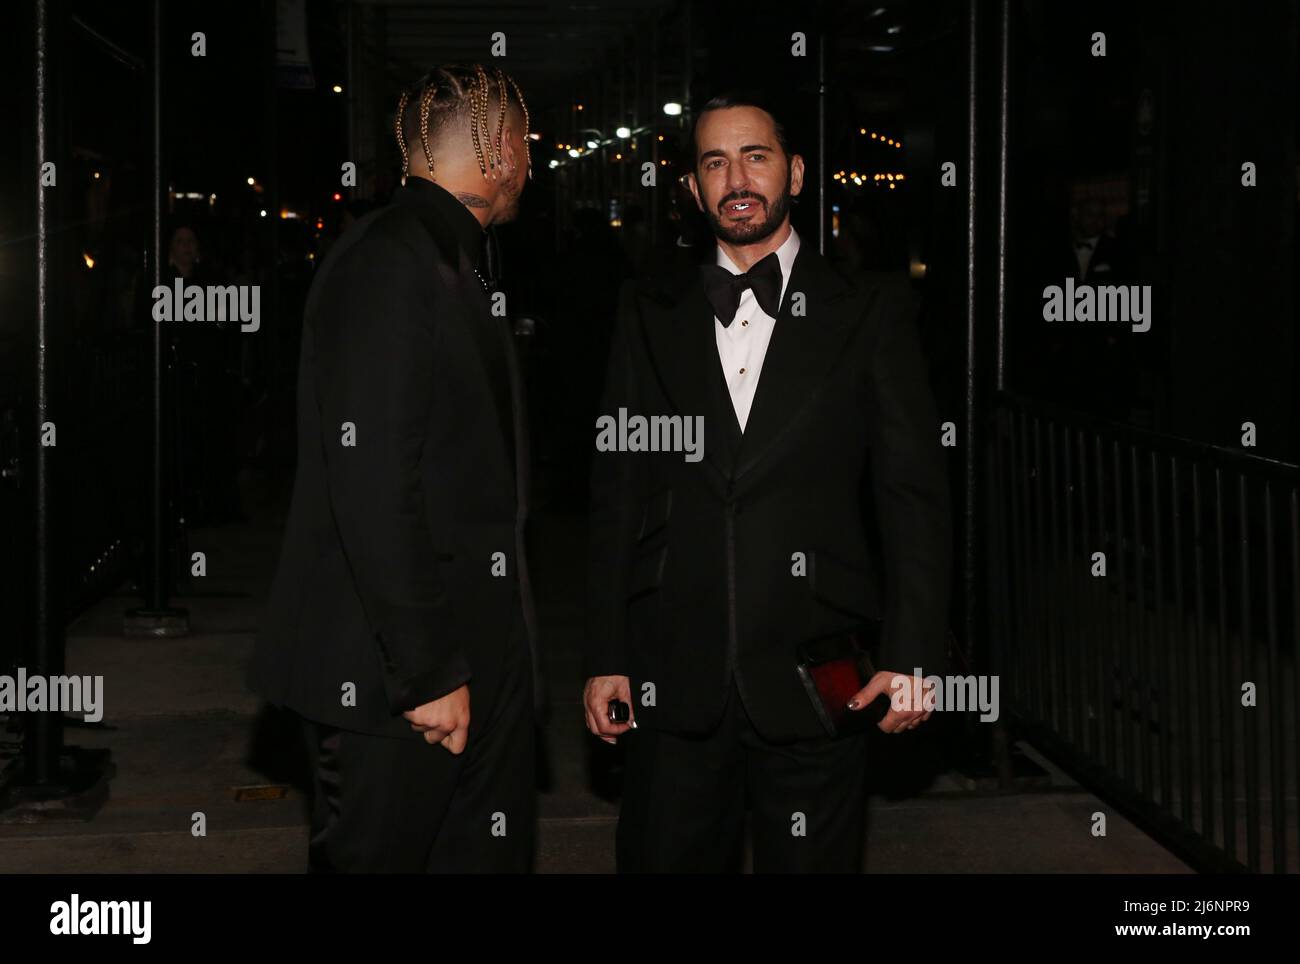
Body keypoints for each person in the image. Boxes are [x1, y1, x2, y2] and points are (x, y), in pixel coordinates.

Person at [583, 92, 952, 873]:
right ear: (692, 188)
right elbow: (618, 487)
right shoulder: (648, 312)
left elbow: (912, 497)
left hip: (820, 672)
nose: (736, 177)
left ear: (796, 172)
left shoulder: (871, 312)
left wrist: (913, 653)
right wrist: (605, 652)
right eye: (714, 162)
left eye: (755, 156)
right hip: (672, 671)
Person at [250, 64, 539, 872]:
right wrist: (425, 672)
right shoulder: (390, 259)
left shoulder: (449, 256)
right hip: (393, 685)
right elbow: (371, 477)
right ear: (503, 148)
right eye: (528, 143)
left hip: (461, 661)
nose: (532, 164)